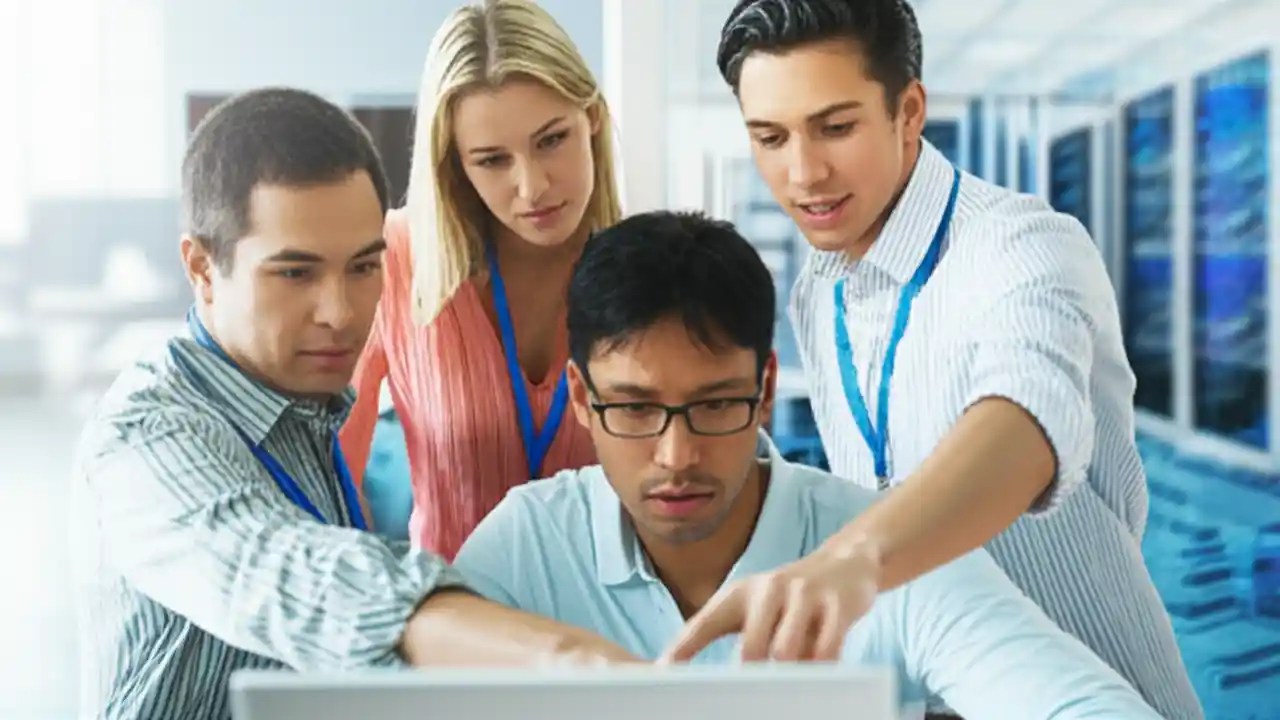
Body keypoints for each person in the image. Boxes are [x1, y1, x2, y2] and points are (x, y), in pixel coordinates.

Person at [659, 1, 1202, 718]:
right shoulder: (819, 296)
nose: (803, 173)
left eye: (836, 127)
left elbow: (1023, 419)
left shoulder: (1021, 245)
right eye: (769, 136)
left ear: (908, 110)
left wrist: (852, 562)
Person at [452, 211, 1164, 720]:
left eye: (714, 405)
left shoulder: (881, 553)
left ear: (764, 390)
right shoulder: (528, 544)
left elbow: (1083, 704)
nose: (676, 456)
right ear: (581, 396)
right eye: (635, 410)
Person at [68, 87, 637, 720]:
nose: (340, 314)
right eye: (295, 273)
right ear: (202, 267)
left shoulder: (311, 409)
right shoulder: (146, 433)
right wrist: (572, 664)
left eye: (363, 268)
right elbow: (283, 572)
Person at [339, 0, 621, 558]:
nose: (532, 187)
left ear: (591, 117)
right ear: (455, 166)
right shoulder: (394, 260)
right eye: (492, 160)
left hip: (608, 627)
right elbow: (329, 484)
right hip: (454, 624)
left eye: (551, 140)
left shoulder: (646, 269)